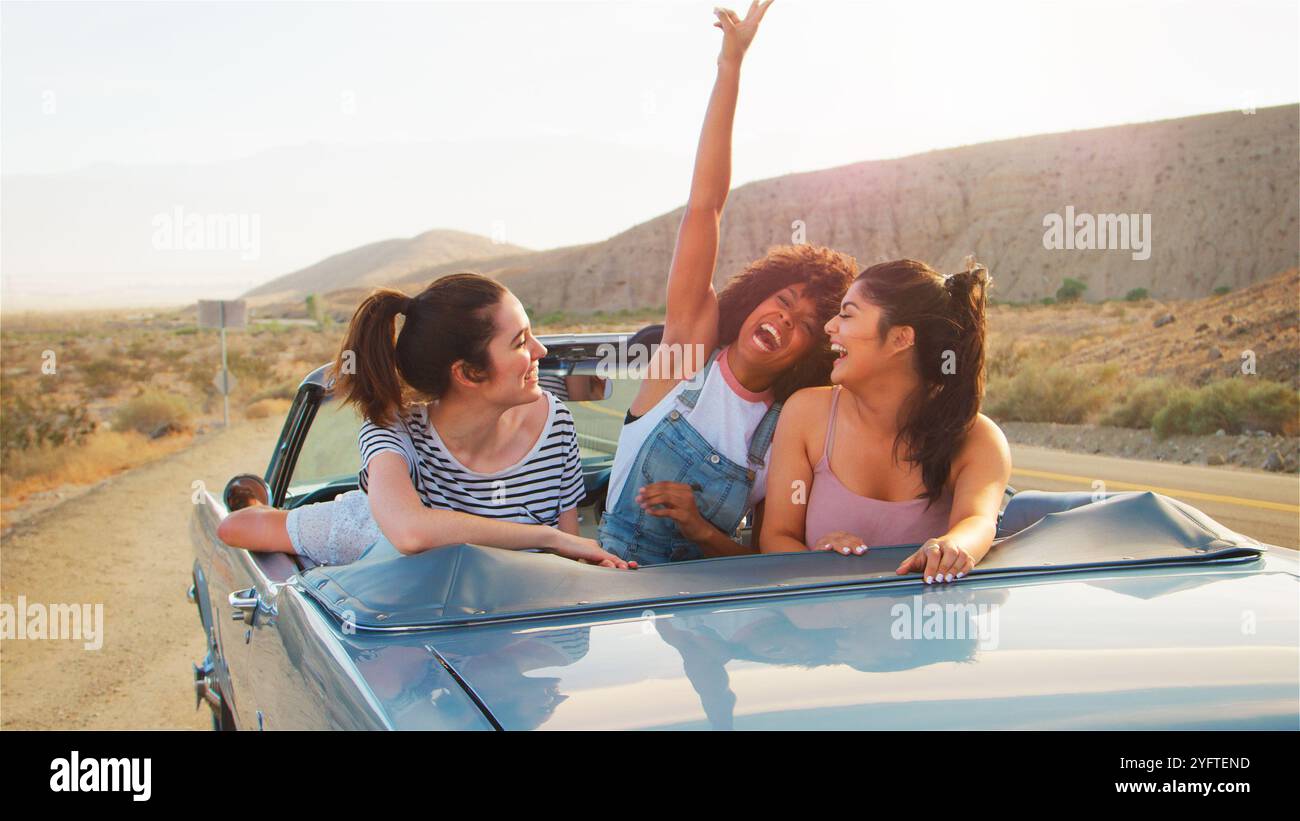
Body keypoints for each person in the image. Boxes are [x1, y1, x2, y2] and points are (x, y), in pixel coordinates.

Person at [598, 0, 858, 566]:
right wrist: (731, 66)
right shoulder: (686, 355)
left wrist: (698, 527)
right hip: (610, 597)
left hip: (706, 614)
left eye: (807, 324)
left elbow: (759, 554)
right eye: (783, 300)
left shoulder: (786, 430)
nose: (786, 318)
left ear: (811, 351)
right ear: (756, 299)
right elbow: (705, 207)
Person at [217, 273, 633, 569]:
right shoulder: (394, 431)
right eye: (521, 341)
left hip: (517, 629)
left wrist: (570, 546)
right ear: (468, 373)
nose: (540, 351)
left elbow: (572, 550)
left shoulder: (555, 421)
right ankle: (255, 502)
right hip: (392, 575)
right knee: (246, 523)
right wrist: (545, 537)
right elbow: (409, 533)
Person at [759, 259, 1012, 584]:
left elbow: (978, 521)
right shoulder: (805, 414)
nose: (829, 326)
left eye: (847, 314)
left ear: (900, 338)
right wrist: (815, 559)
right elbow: (776, 536)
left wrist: (952, 547)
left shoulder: (978, 439)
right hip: (821, 626)